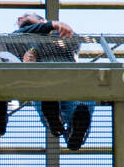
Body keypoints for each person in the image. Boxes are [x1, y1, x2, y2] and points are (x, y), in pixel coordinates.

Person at [15, 12, 94, 150]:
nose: (19, 19)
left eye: (27, 15)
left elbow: (73, 42)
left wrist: (37, 49)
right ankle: (55, 122)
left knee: (81, 107)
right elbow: (17, 36)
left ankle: (74, 133)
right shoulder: (19, 38)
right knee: (45, 99)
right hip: (44, 80)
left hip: (70, 80)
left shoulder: (58, 33)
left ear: (42, 20)